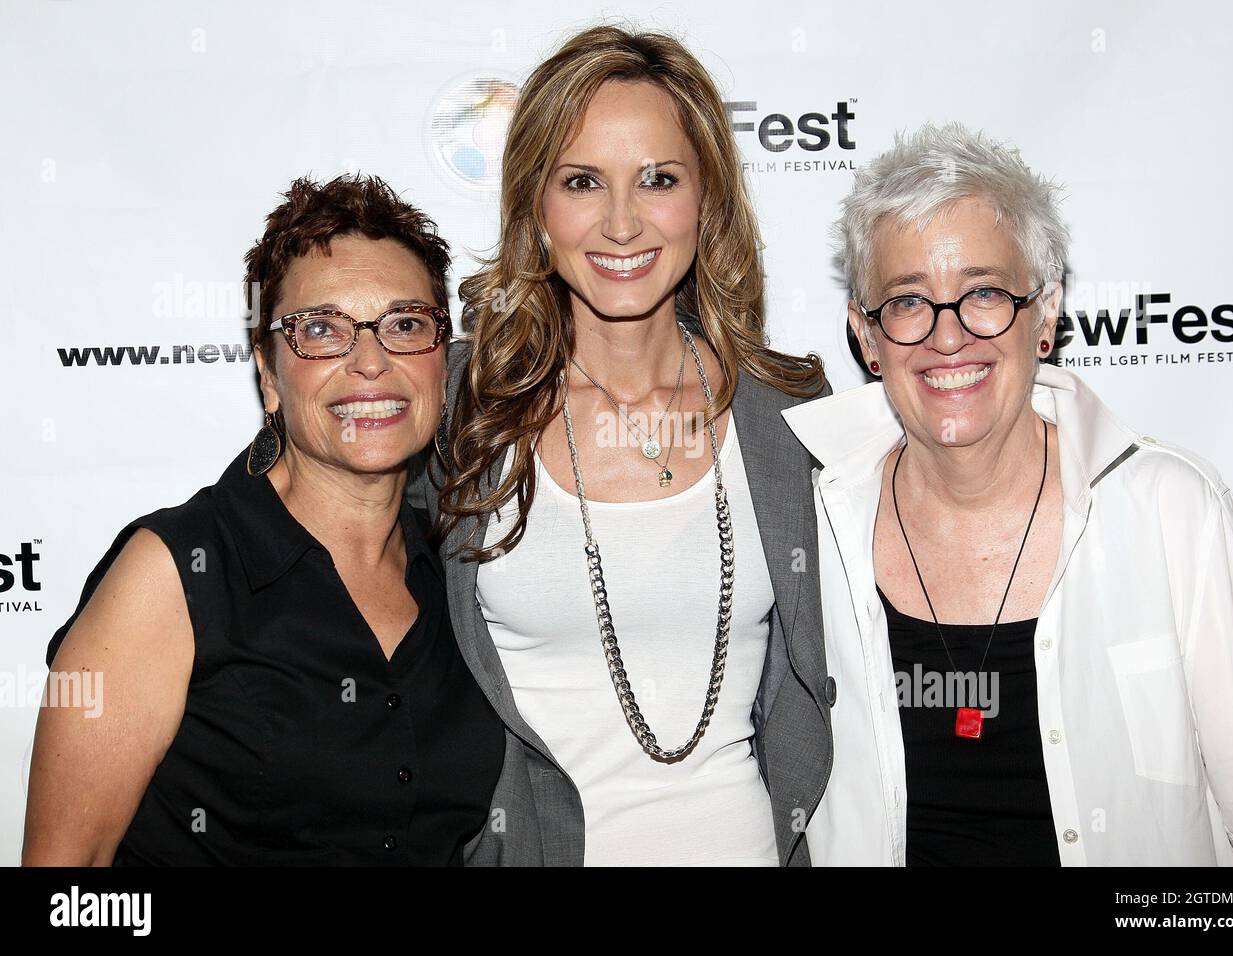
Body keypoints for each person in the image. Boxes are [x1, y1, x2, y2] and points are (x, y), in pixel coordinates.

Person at [785, 122, 1233, 866]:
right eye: (906, 301)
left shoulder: (1169, 511)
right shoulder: (809, 526)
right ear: (866, 337)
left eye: (985, 293)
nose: (948, 336)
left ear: (1047, 314)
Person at [413, 25, 833, 865]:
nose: (620, 222)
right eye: (581, 182)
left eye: (658, 179)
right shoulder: (460, 404)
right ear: (536, 204)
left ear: (706, 196)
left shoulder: (791, 414)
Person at [24, 174, 504, 865]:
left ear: (442, 360)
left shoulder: (462, 581)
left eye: (405, 324)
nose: (370, 361)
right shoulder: (176, 573)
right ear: (270, 376)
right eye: (321, 330)